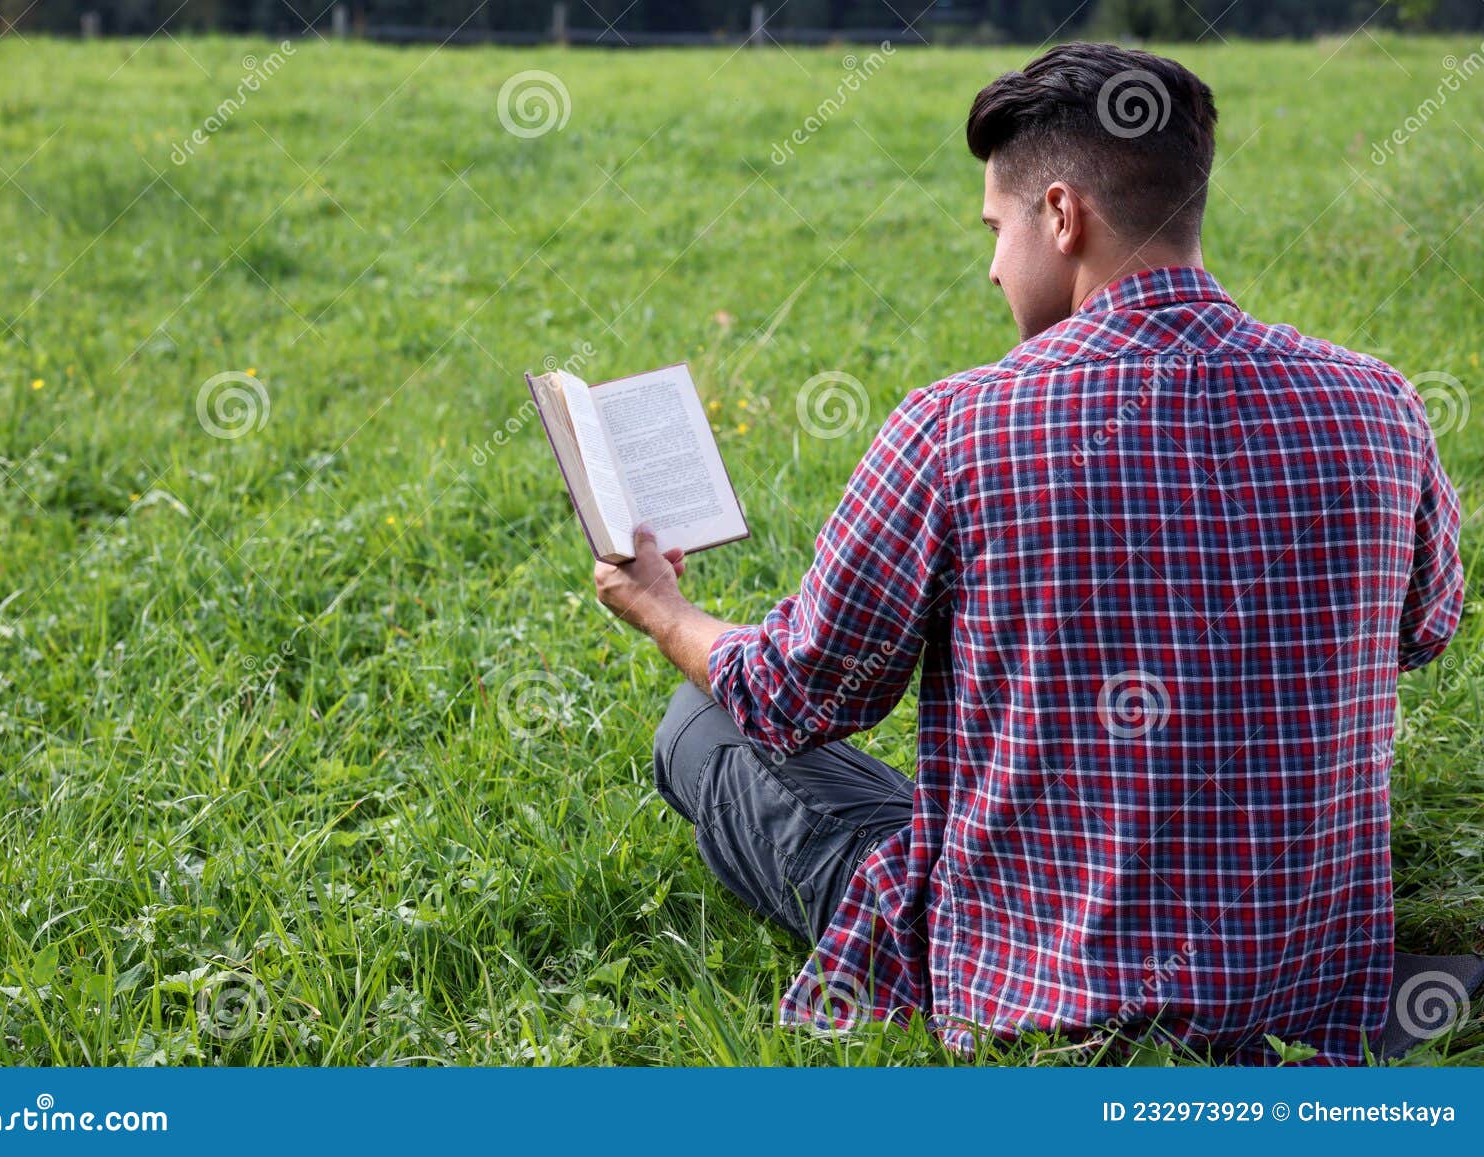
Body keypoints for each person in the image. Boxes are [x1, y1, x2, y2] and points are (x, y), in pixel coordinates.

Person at [591, 42, 1465, 1065]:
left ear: (1061, 215)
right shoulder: (1377, 403)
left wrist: (663, 610)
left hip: (1040, 993)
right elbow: (1422, 627)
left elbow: (795, 692)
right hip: (1306, 981)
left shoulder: (957, 426)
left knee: (705, 722)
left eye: (996, 229)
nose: (992, 265)